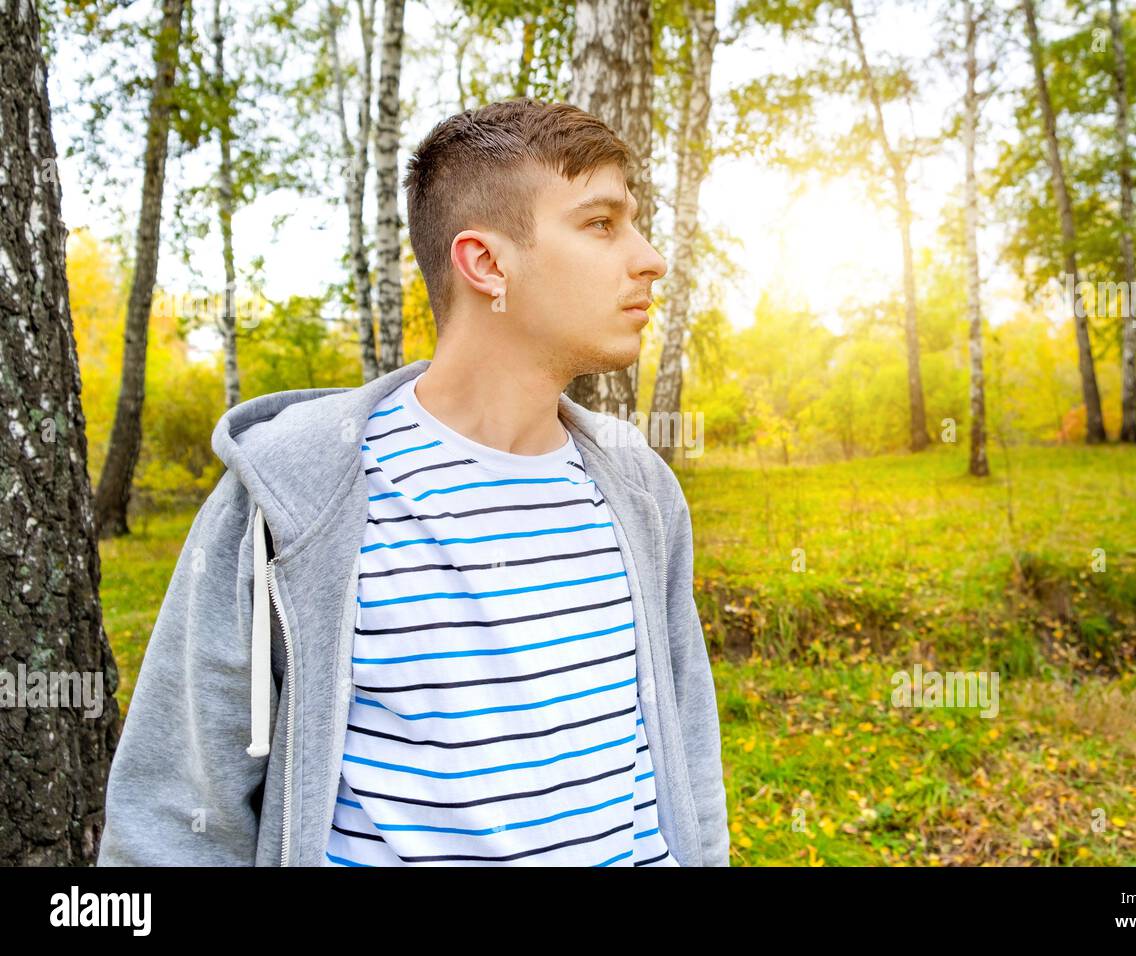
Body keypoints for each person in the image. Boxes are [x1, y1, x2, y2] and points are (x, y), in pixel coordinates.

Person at [97, 98, 729, 867]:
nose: (650, 258)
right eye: (601, 224)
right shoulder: (296, 497)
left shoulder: (641, 491)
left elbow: (687, 759)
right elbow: (174, 819)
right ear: (487, 263)